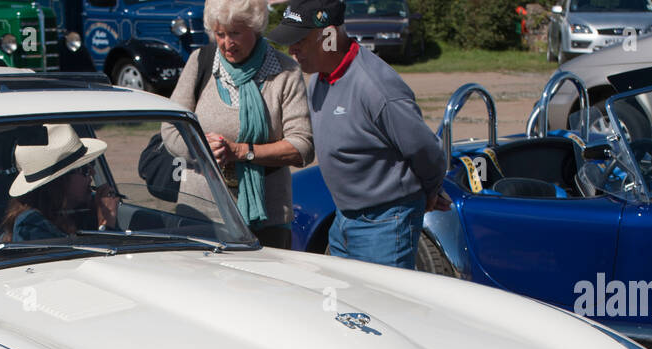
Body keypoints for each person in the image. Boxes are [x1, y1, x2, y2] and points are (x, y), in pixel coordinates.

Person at [270, 0, 448, 269]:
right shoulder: (320, 77)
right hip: (345, 217)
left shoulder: (376, 86)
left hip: (386, 223)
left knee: (383, 305)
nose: (292, 50)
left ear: (328, 36)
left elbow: (425, 149)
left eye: (300, 40)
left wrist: (431, 189)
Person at [167, 0, 312, 248]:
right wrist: (202, 149)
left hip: (268, 217)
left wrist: (241, 152)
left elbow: (302, 146)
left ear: (255, 28)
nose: (226, 43)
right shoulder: (200, 62)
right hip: (199, 214)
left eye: (235, 33)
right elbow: (170, 130)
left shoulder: (285, 72)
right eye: (219, 34)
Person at [0, 124, 120, 242]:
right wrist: (105, 225)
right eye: (84, 169)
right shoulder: (30, 225)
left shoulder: (85, 209)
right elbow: (76, 262)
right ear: (59, 182)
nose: (92, 172)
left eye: (90, 165)